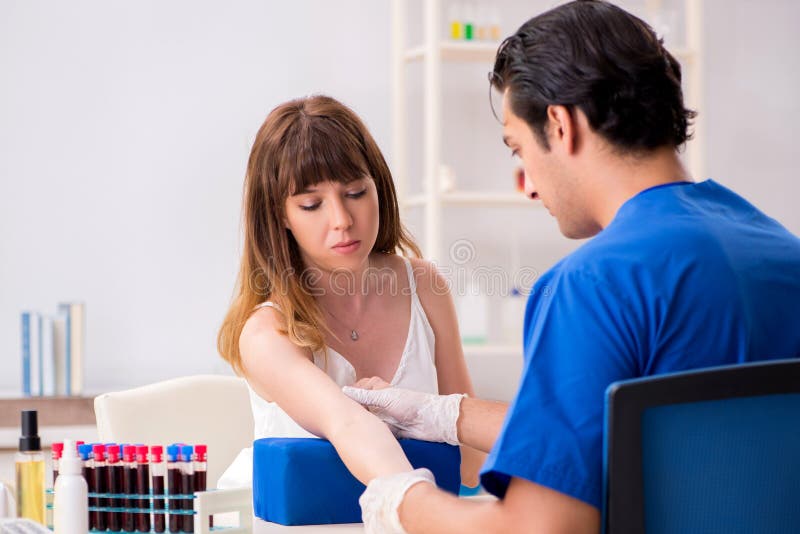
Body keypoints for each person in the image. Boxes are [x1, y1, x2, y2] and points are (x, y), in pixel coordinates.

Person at [343, 1, 800, 532]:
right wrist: (444, 413)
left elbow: (542, 529)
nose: (530, 184)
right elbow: (675, 437)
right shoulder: (782, 255)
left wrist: (403, 501)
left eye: (519, 149)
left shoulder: (591, 286)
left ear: (559, 126)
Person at [215, 95, 483, 490]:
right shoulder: (266, 332)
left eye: (356, 193)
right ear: (279, 215)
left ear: (379, 187)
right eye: (311, 204)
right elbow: (345, 422)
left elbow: (471, 463)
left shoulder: (425, 287)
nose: (342, 220)